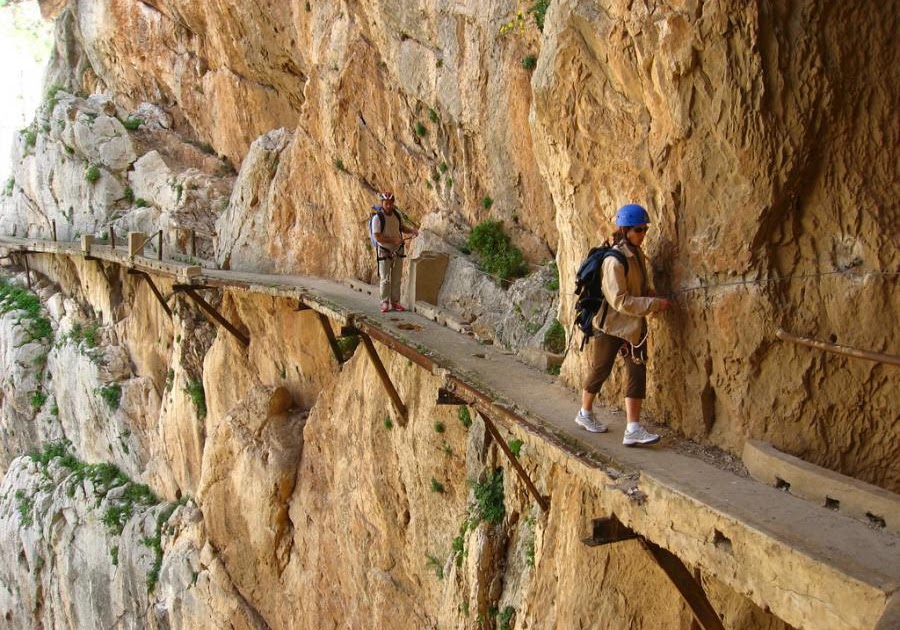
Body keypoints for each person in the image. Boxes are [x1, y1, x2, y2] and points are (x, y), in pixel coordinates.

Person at [574, 203, 672, 446]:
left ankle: (633, 428)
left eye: (645, 230)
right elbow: (619, 300)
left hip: (633, 327)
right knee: (601, 369)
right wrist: (652, 304)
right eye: (639, 230)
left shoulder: (636, 253)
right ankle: (584, 413)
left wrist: (649, 294)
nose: (643, 234)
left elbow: (636, 287)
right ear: (626, 230)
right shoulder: (614, 261)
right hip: (610, 327)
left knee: (637, 372)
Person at [371, 192, 418, 313]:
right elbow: (378, 238)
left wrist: (412, 231)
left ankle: (395, 302)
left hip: (397, 250)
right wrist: (394, 240)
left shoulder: (397, 215)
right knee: (385, 278)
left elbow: (401, 227)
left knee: (397, 278)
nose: (388, 206)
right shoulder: (377, 218)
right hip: (384, 251)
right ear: (382, 204)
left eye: (390, 203)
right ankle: (384, 302)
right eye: (386, 203)